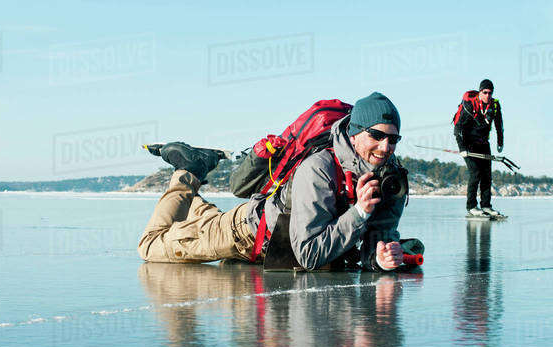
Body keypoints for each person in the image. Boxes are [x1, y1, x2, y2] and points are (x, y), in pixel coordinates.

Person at [138, 92, 408, 271]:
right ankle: (190, 170)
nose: (386, 147)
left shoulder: (389, 176)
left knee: (201, 215)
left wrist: (380, 258)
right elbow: (309, 254)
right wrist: (360, 212)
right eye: (376, 135)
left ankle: (195, 196)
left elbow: (380, 234)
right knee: (151, 246)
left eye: (393, 139)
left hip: (274, 246)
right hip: (245, 234)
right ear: (355, 132)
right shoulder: (319, 169)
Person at [454, 79, 504, 217]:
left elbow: (499, 125)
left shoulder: (494, 105)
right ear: (480, 92)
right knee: (475, 173)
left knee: (487, 175)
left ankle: (486, 205)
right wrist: (462, 148)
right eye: (485, 92)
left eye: (490, 93)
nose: (488, 95)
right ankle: (471, 206)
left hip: (483, 143)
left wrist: (500, 142)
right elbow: (457, 128)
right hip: (468, 143)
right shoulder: (470, 104)